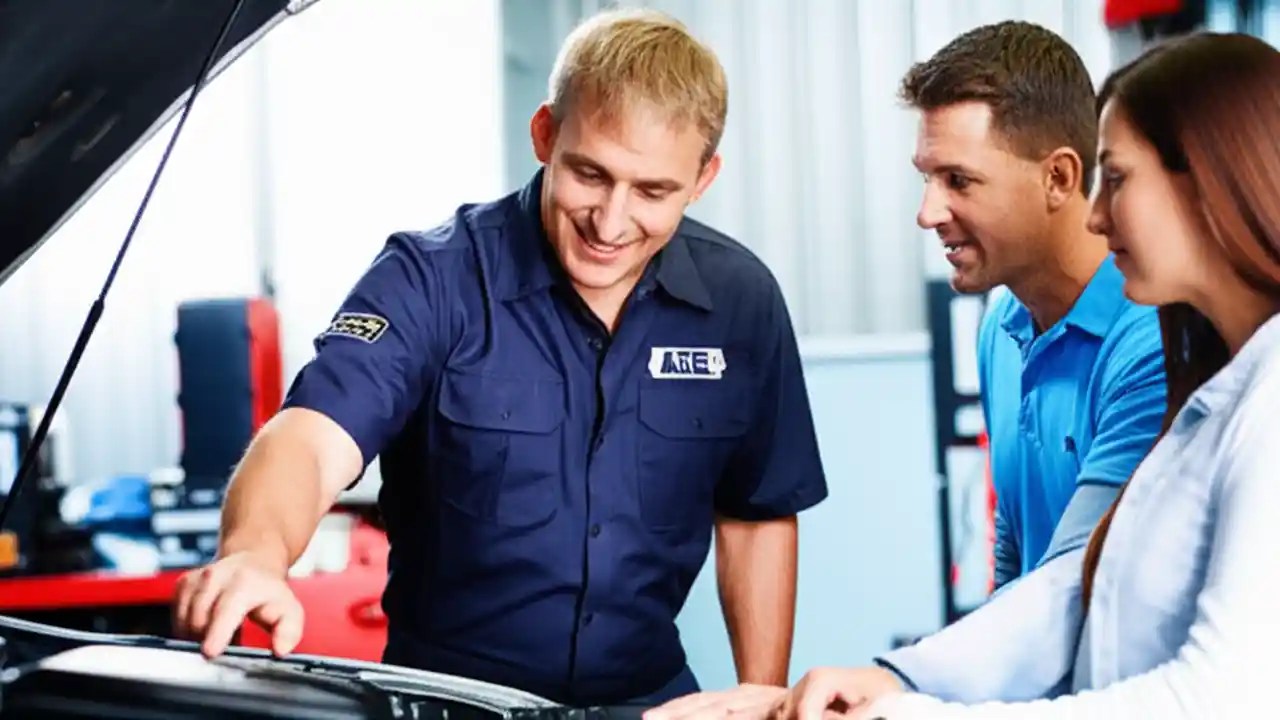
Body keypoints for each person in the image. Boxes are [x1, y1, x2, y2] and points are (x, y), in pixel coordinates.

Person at [170, 7, 828, 707]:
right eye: (589, 174)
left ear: (702, 179)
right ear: (545, 134)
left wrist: (764, 698)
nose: (610, 221)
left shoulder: (741, 302)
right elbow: (310, 437)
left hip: (652, 699)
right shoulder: (430, 279)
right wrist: (256, 554)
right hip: (450, 701)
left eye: (653, 192)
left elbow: (755, 515)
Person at [643, 20, 1168, 720]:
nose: (928, 213)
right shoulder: (1001, 328)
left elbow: (1075, 579)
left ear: (1061, 177)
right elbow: (1014, 556)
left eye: (959, 181)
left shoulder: (1151, 342)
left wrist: (902, 684)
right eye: (927, 178)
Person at [760, 30, 1280, 719]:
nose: (1098, 214)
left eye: (1116, 180)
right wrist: (902, 679)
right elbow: (1070, 585)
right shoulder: (1211, 377)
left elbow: (1216, 695)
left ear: (1214, 182)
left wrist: (918, 711)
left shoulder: (1237, 390)